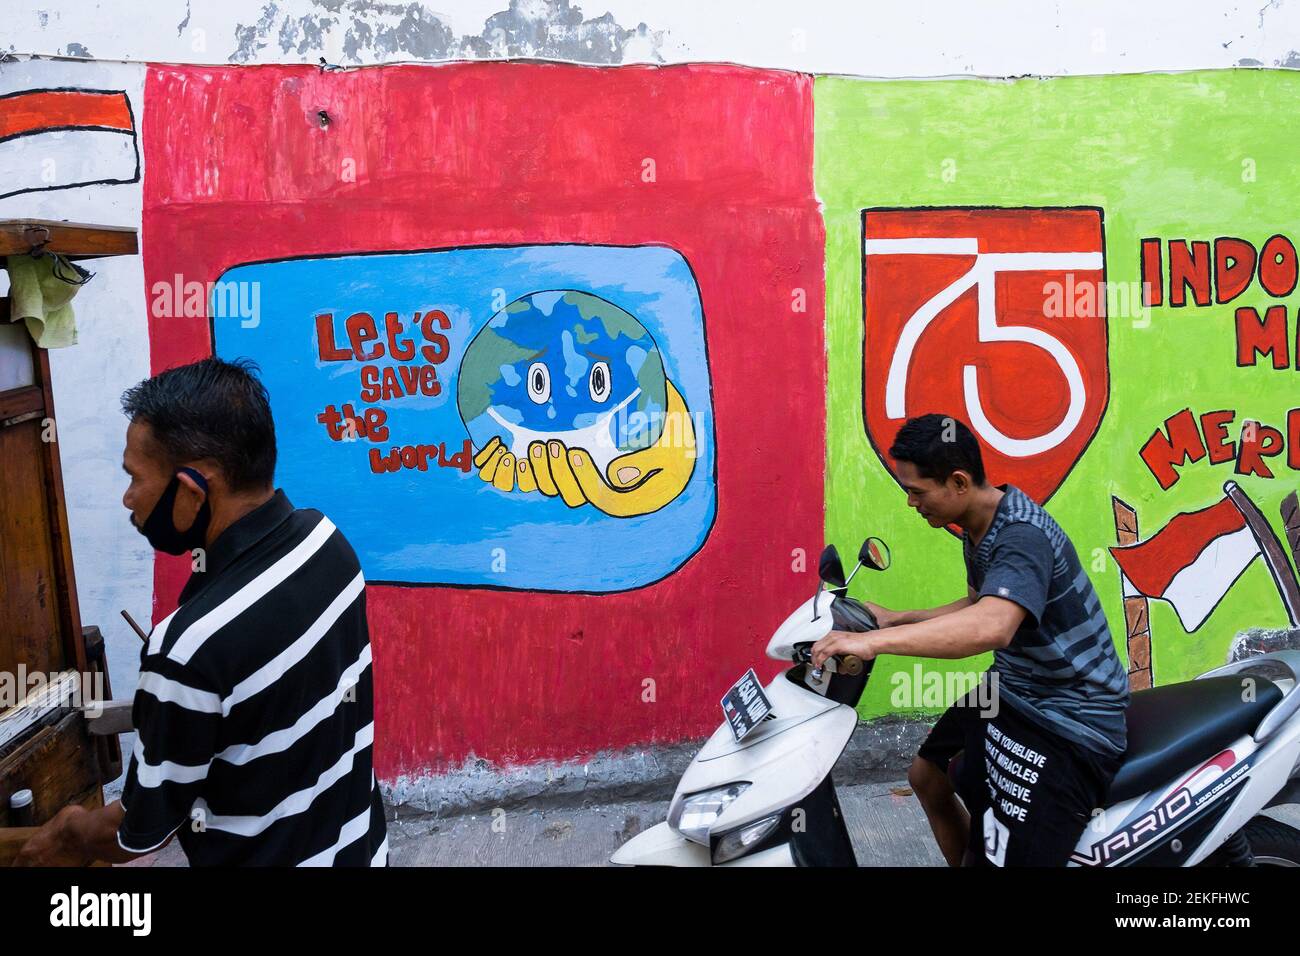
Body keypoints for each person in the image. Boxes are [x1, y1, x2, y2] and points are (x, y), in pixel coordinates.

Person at [18, 357, 386, 866]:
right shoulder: (327, 543)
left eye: (135, 478)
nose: (128, 499)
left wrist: (70, 834)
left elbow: (139, 832)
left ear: (191, 491)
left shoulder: (186, 648)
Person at [812, 413, 1129, 866]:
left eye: (917, 491)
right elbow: (980, 604)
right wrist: (894, 619)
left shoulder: (1021, 535)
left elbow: (992, 625)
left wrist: (871, 645)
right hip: (1017, 689)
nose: (910, 503)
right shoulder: (979, 523)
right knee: (927, 776)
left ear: (958, 482)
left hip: (1070, 713)